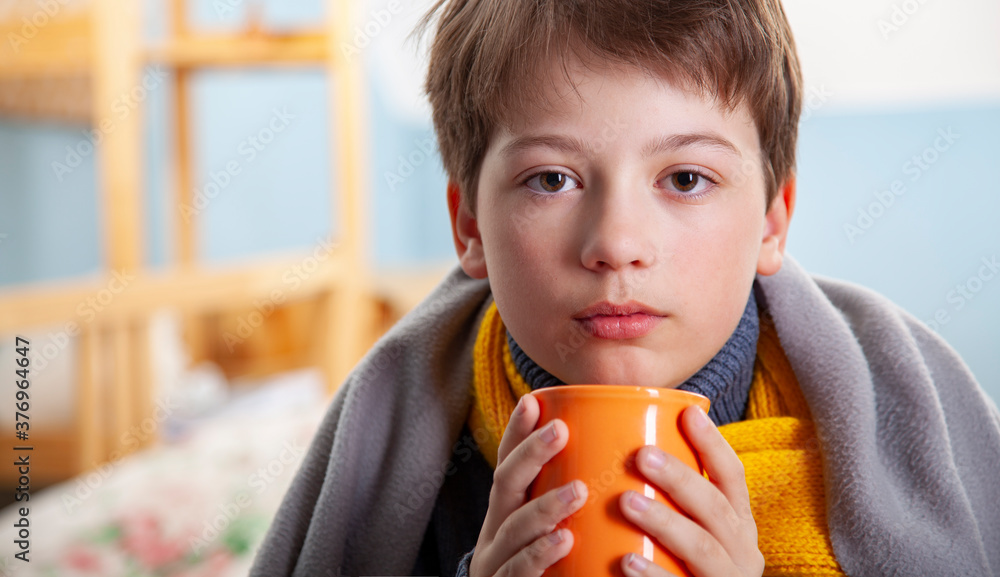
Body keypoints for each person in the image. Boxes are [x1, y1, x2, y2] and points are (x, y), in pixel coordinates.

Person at [249, 1, 1000, 576]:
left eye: (684, 179)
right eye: (552, 179)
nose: (616, 244)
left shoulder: (904, 409)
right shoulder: (397, 433)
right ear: (469, 226)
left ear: (774, 220)